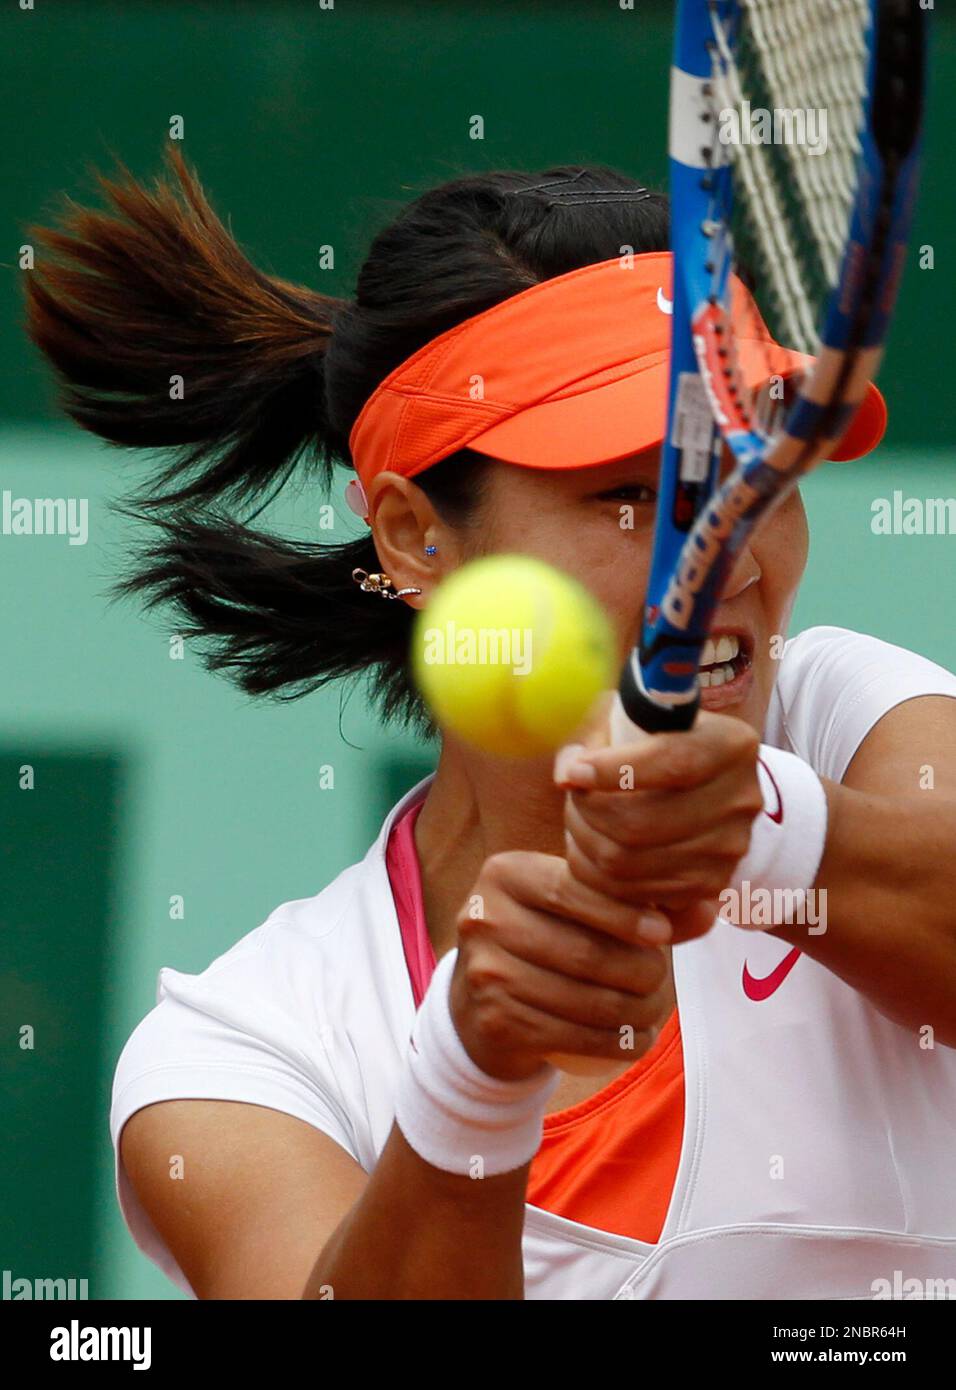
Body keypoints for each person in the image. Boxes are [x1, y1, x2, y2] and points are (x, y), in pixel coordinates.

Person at [26, 153, 956, 1300]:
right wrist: (471, 1077)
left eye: (755, 474)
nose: (729, 557)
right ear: (416, 536)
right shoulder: (251, 1048)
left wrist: (770, 830)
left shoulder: (844, 724)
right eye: (631, 495)